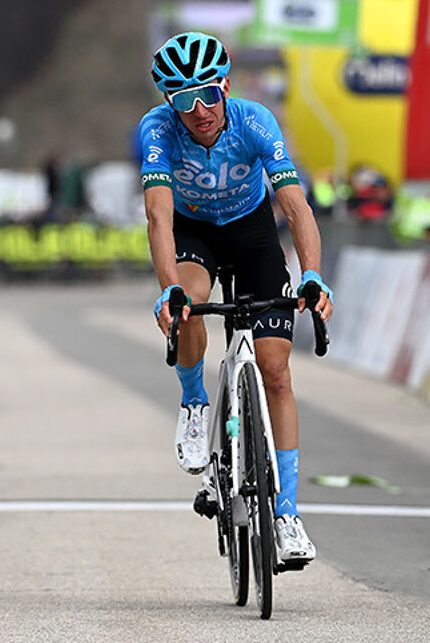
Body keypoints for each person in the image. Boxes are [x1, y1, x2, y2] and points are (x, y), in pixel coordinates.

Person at [140, 31, 334, 564]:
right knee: (190, 302)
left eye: (207, 94)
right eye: (184, 100)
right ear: (169, 102)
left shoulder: (254, 121)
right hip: (194, 233)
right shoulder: (157, 130)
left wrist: (312, 274)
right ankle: (194, 402)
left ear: (225, 86)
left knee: (276, 371)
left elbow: (295, 206)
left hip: (251, 233)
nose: (199, 111)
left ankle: (287, 514)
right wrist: (169, 288)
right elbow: (158, 215)